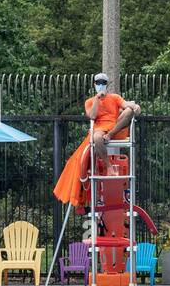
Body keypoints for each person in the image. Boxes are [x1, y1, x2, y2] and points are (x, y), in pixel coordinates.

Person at [52, 73, 142, 210]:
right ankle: (109, 166)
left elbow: (125, 104)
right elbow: (92, 116)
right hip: (99, 128)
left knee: (129, 111)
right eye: (98, 83)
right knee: (96, 138)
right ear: (94, 85)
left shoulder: (114, 97)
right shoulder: (89, 101)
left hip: (115, 128)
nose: (101, 86)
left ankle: (110, 135)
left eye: (103, 83)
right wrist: (97, 99)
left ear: (107, 85)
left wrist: (135, 106)